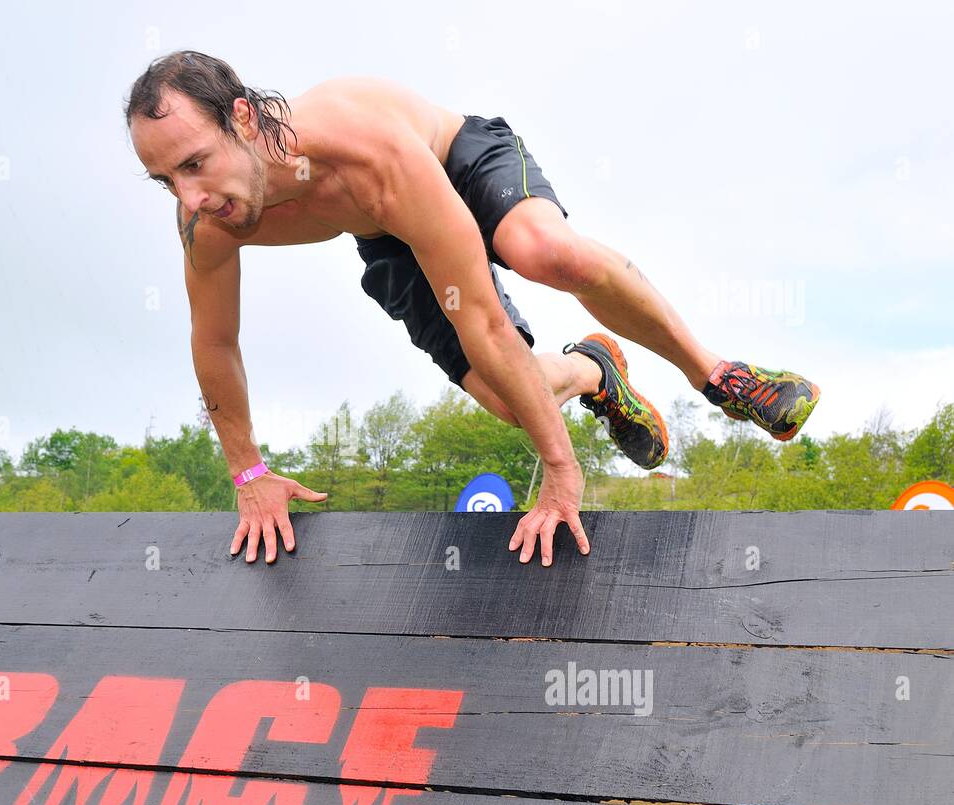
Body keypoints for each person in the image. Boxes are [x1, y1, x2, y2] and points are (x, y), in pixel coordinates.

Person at [124, 52, 820, 567]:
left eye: (196, 163)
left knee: (546, 251)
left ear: (242, 118)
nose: (190, 197)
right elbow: (213, 342)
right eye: (166, 181)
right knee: (510, 396)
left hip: (454, 159)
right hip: (385, 231)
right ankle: (592, 370)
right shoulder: (205, 225)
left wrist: (560, 470)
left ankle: (716, 373)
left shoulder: (364, 150)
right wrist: (249, 474)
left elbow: (481, 319)